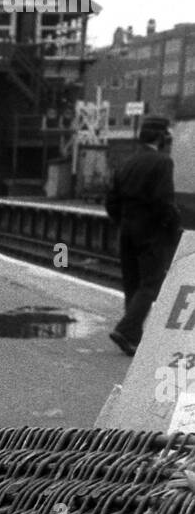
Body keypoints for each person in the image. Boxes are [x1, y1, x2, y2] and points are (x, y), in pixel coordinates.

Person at [105, 114, 181, 355]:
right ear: (161, 137)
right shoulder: (162, 163)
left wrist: (122, 221)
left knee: (133, 283)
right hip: (150, 231)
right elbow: (163, 201)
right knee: (150, 283)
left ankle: (132, 338)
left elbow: (111, 201)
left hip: (126, 230)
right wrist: (171, 227)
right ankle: (126, 329)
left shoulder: (127, 162)